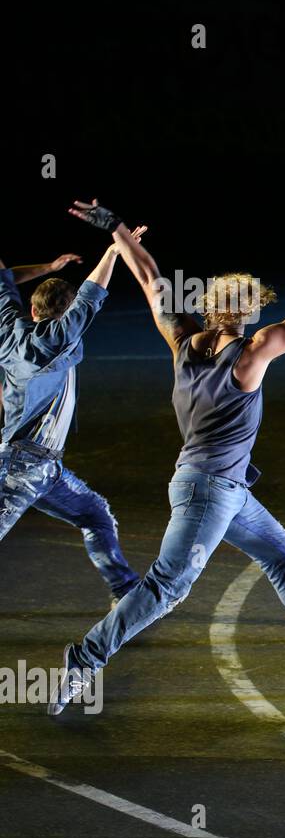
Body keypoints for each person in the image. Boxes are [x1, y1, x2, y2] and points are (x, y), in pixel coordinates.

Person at [51, 199, 285, 715]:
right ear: (251, 310)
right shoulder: (253, 353)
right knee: (167, 588)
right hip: (208, 492)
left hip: (225, 492)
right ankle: (84, 659)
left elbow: (149, 279)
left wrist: (117, 229)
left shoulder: (182, 341)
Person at [1, 237, 142, 605]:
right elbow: (91, 295)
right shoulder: (59, 337)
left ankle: (126, 592)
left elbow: (2, 280)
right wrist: (112, 252)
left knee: (96, 515)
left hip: (43, 468)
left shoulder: (8, 329)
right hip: (24, 466)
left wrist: (48, 268)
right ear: (64, 317)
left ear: (31, 310)